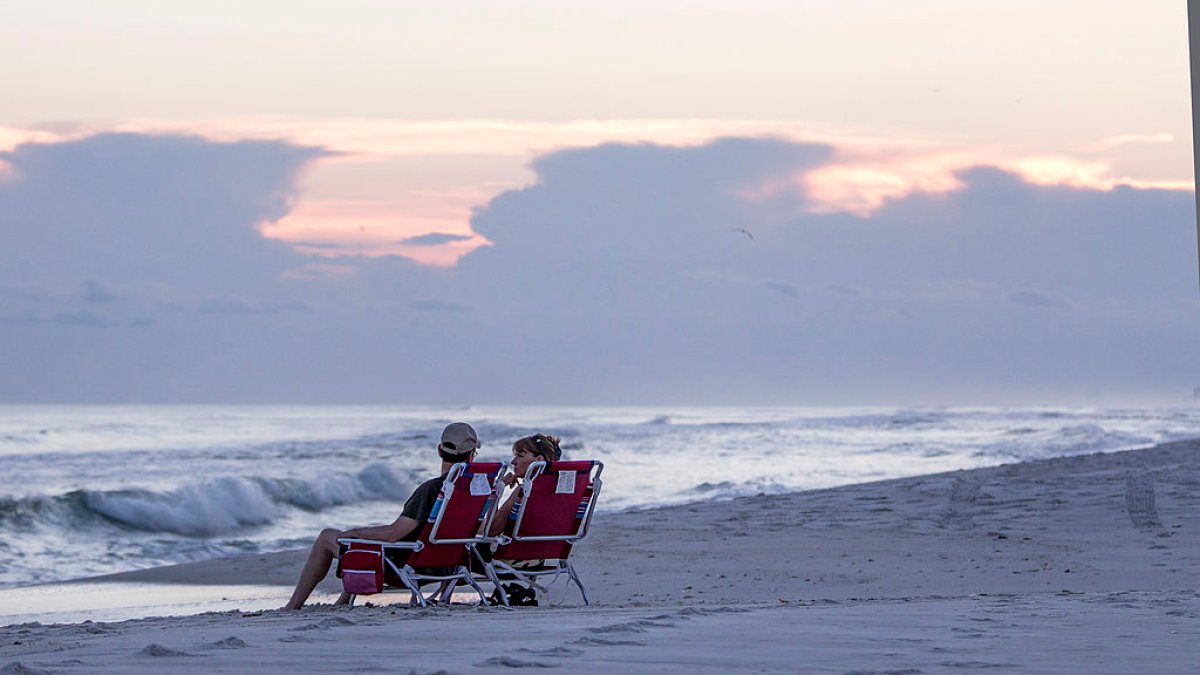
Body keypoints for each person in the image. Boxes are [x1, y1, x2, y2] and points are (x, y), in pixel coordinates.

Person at [283, 422, 481, 610]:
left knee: (328, 537)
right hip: (447, 567)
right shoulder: (474, 491)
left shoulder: (431, 490)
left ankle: (293, 606)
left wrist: (354, 532)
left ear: (439, 451)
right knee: (365, 538)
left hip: (404, 567)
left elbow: (394, 534)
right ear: (472, 455)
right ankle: (343, 601)